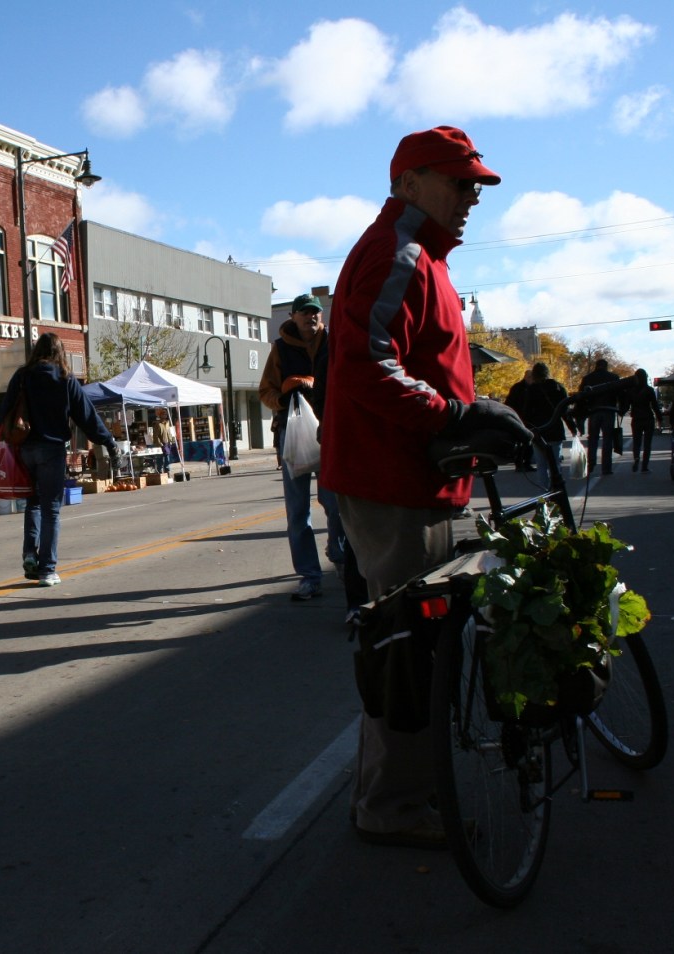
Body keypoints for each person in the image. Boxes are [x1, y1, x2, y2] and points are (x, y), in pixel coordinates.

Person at [320, 125, 531, 849]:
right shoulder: (398, 253)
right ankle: (393, 807)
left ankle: (392, 796)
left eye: (475, 186)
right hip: (393, 483)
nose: (471, 197)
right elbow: (364, 368)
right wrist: (454, 415)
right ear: (408, 182)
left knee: (415, 648)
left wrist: (471, 417)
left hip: (418, 480)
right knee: (405, 654)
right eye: (459, 182)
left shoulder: (425, 258)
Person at [259, 292, 366, 604]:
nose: (311, 317)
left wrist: (312, 383)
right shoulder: (279, 350)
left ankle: (340, 556)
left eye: (315, 312)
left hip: (332, 434)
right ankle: (309, 576)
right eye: (304, 313)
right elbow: (265, 391)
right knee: (297, 512)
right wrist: (283, 397)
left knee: (336, 505)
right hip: (292, 436)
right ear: (292, 317)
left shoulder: (336, 343)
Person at [0, 333, 117, 587]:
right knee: (51, 509)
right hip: (52, 450)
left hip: (26, 449)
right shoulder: (65, 378)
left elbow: (5, 411)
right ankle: (47, 569)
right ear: (60, 353)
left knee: (33, 504)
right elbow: (86, 416)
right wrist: (107, 440)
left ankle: (30, 553)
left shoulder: (22, 376)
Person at [521, 362, 572, 482]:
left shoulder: (531, 390)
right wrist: (572, 427)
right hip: (555, 428)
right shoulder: (558, 387)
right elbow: (565, 410)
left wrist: (527, 428)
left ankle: (544, 496)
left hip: (538, 430)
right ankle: (557, 493)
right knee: (555, 464)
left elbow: (526, 411)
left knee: (541, 466)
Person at [576, 358, 622, 475]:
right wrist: (621, 409)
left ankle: (591, 464)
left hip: (594, 412)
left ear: (596, 366)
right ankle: (606, 468)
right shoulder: (613, 378)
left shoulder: (588, 378)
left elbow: (581, 397)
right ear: (606, 367)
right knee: (607, 440)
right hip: (609, 411)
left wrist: (580, 415)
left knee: (593, 439)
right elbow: (620, 395)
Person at [626, 368, 664, 473]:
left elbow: (626, 405)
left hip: (636, 419)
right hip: (648, 418)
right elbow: (655, 406)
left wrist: (620, 412)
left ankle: (636, 458)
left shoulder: (631, 391)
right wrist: (659, 417)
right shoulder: (649, 390)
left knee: (636, 442)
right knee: (647, 443)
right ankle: (645, 466)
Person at [503, 373, 535, 472]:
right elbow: (509, 403)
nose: (531, 379)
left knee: (530, 441)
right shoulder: (517, 388)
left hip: (529, 418)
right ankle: (519, 463)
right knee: (522, 442)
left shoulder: (533, 388)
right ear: (525, 377)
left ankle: (527, 463)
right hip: (519, 417)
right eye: (529, 377)